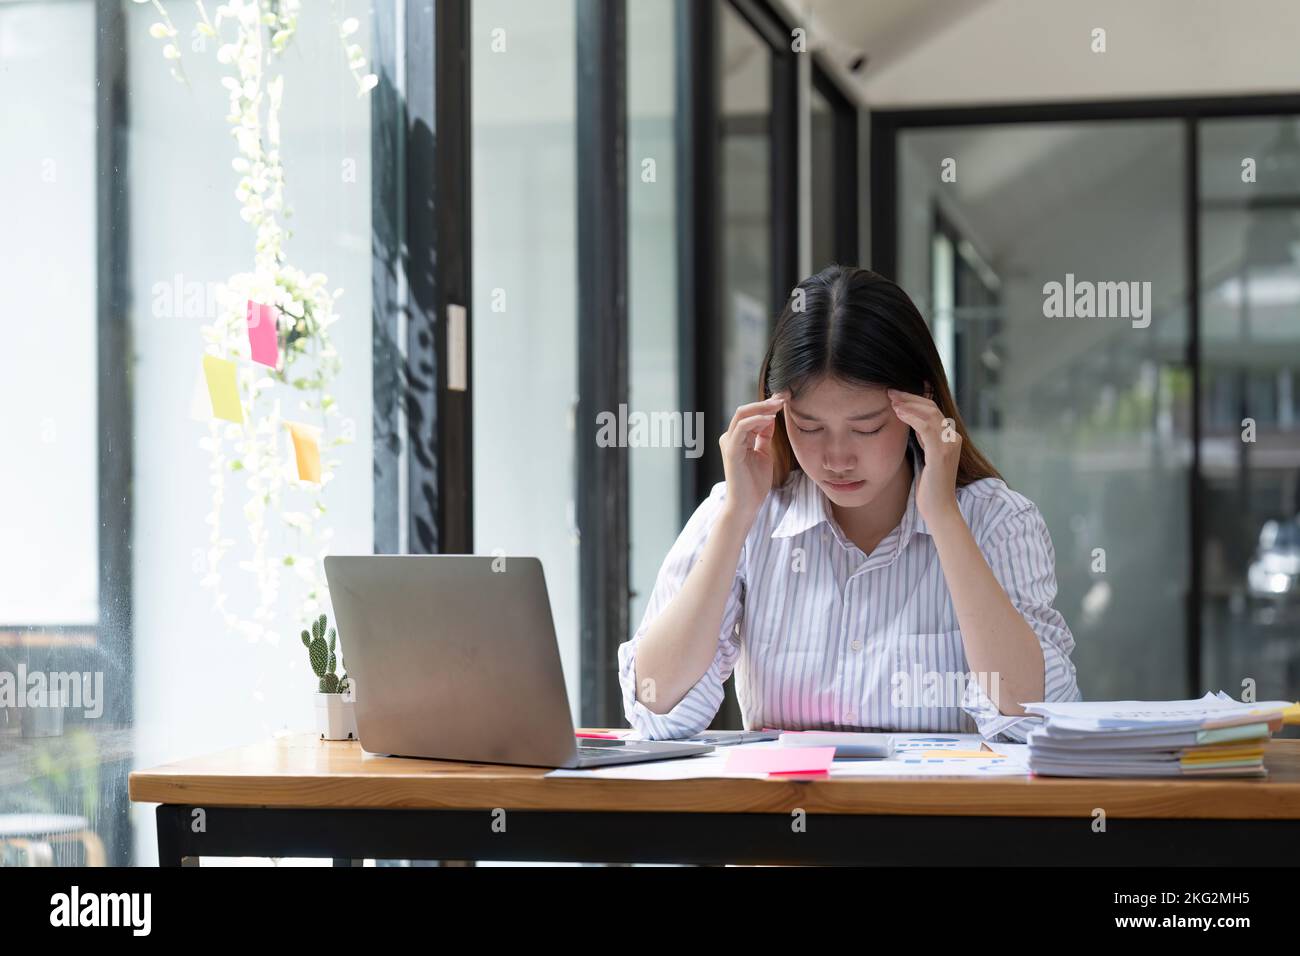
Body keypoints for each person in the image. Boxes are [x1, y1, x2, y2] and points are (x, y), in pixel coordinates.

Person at [617, 265, 1081, 742]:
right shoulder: (739, 512)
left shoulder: (997, 521)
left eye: (867, 427)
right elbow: (656, 709)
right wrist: (736, 517)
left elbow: (1034, 718)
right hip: (783, 811)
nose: (836, 458)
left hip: (939, 813)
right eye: (810, 427)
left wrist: (943, 515)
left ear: (921, 405)